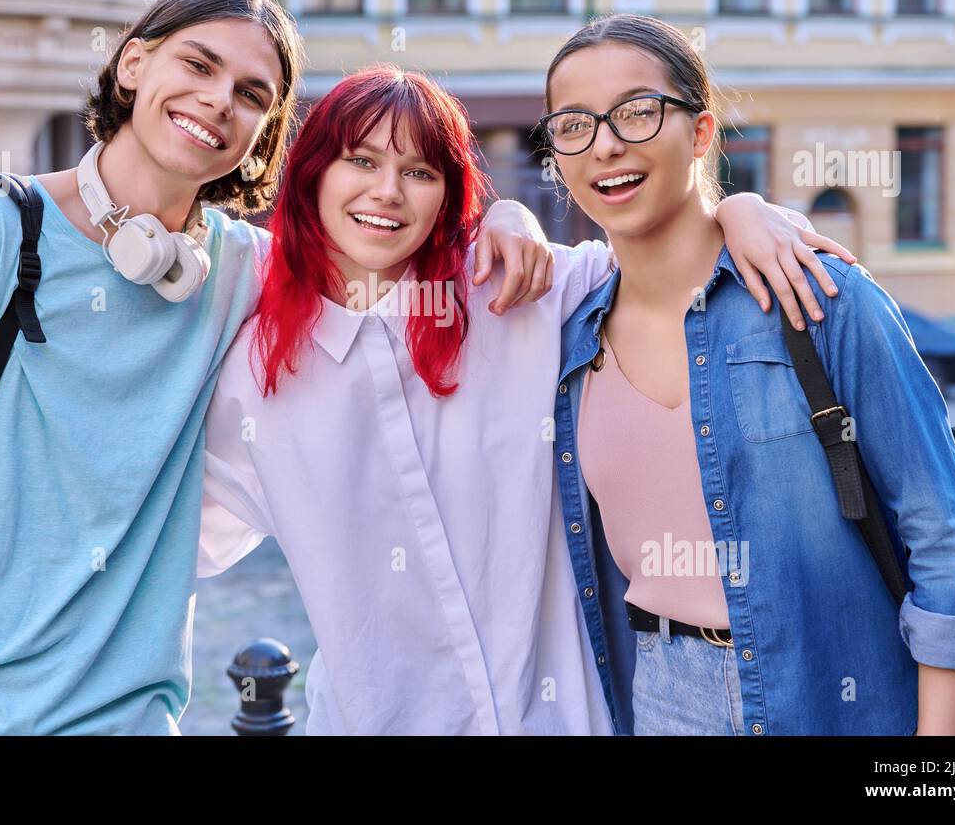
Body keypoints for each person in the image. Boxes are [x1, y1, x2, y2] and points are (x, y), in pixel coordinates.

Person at [0, 0, 546, 736]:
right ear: (134, 65)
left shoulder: (249, 272)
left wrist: (506, 217)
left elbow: (392, 248)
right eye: (198, 66)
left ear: (264, 133)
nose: (219, 101)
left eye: (251, 93)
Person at [197, 64, 857, 734]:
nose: (387, 192)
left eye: (420, 171)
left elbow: (673, 255)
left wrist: (743, 210)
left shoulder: (519, 295)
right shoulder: (256, 379)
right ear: (312, 175)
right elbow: (171, 539)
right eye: (360, 161)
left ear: (449, 193)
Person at [543, 13, 955, 735]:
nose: (606, 143)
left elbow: (945, 539)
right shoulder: (571, 342)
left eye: (638, 112)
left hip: (835, 697)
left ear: (700, 134)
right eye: (574, 124)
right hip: (660, 698)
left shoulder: (819, 301)